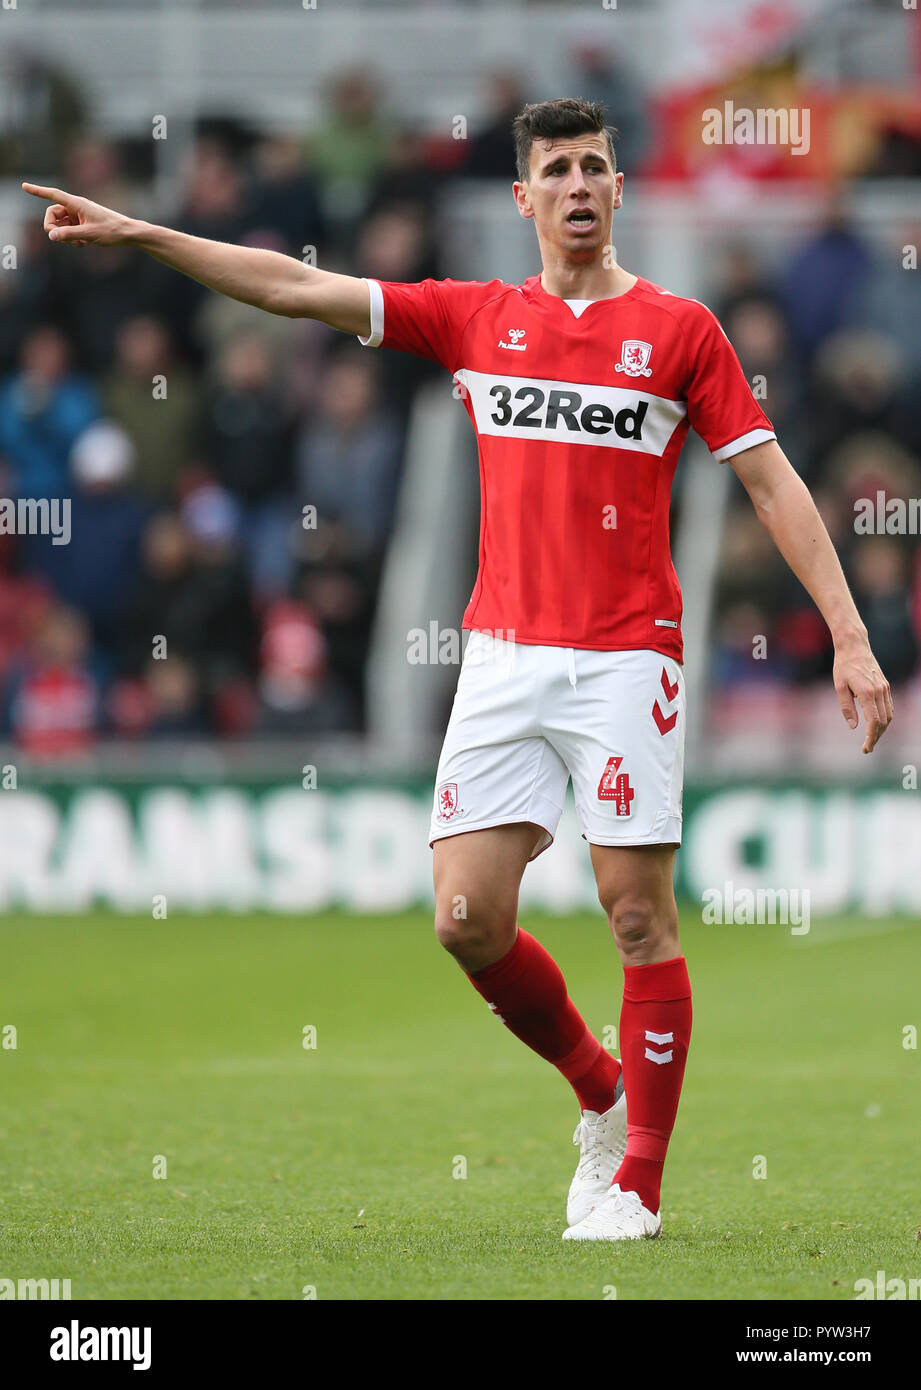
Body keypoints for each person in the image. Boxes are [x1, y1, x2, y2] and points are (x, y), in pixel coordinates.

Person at [23, 96, 893, 1243]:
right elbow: (294, 286)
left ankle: (637, 1179)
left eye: (595, 167)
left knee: (638, 917)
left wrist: (850, 631)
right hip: (501, 660)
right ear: (524, 197)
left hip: (628, 659)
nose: (579, 186)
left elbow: (774, 482)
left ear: (618, 190)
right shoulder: (477, 318)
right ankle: (600, 1087)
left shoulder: (684, 332)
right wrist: (145, 236)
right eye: (557, 172)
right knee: (466, 919)